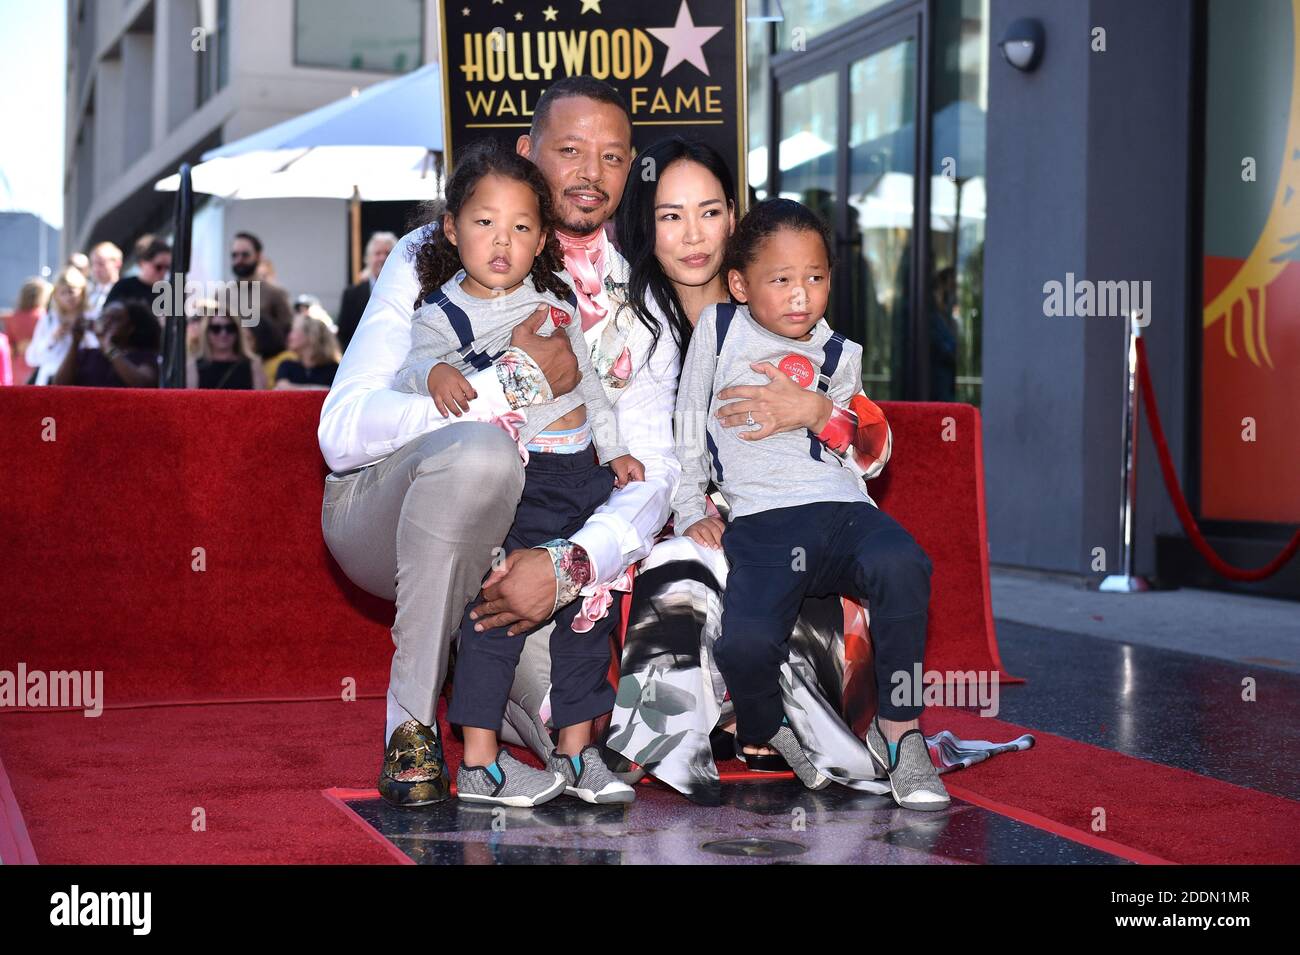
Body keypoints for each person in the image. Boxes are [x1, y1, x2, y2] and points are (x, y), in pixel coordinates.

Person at [318, 75, 680, 809]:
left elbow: (654, 471)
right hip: (387, 511)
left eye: (612, 157)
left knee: (580, 729)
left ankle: (491, 731)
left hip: (530, 535)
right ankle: (411, 735)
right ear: (527, 150)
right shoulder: (433, 252)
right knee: (482, 455)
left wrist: (568, 564)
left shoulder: (637, 296)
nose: (589, 174)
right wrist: (510, 386)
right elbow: (341, 434)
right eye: (570, 149)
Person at [671, 198, 947, 811]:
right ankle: (770, 729)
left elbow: (870, 455)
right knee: (744, 646)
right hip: (764, 522)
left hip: (843, 510)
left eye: (816, 278)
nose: (802, 296)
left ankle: (901, 733)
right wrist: (691, 506)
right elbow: (687, 432)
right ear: (741, 284)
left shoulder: (838, 353)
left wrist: (817, 411)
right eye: (782, 280)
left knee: (905, 564)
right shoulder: (716, 333)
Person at [396, 139, 641, 806]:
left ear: (542, 240)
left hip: (581, 473)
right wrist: (437, 372)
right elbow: (410, 371)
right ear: (452, 227)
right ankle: (479, 760)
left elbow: (589, 382)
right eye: (484, 223)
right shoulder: (442, 312)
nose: (501, 242)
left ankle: (578, 753)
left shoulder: (552, 299)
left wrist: (613, 449)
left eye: (522, 228)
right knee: (499, 610)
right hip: (521, 482)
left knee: (589, 610)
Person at [53, 299, 160, 388]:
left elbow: (142, 384)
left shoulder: (143, 357)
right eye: (103, 317)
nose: (107, 322)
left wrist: (108, 347)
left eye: (115, 319)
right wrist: (75, 343)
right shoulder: (87, 354)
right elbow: (59, 385)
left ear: (130, 328)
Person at [26, 267, 87, 385]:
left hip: (81, 380)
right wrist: (52, 338)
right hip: (51, 382)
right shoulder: (49, 320)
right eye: (63, 293)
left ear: (82, 292)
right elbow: (31, 358)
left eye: (72, 291)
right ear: (56, 295)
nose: (68, 297)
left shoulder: (90, 317)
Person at [337, 231, 397, 351]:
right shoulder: (351, 295)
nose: (383, 258)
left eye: (388, 253)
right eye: (377, 253)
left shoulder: (410, 292)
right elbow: (344, 336)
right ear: (368, 259)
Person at [230, 232, 292, 338]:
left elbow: (286, 331)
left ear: (258, 256)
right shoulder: (223, 294)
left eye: (245, 255)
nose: (239, 260)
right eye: (234, 255)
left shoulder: (276, 294)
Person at [187, 309, 267, 390]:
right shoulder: (194, 367)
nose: (223, 333)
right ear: (207, 332)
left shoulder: (253, 365)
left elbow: (259, 398)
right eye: (216, 329)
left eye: (230, 328)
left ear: (237, 331)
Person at [274, 306, 340, 390]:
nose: (289, 336)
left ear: (310, 335)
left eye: (294, 330)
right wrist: (320, 389)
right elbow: (282, 387)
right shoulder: (287, 365)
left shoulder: (334, 369)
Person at [6, 277, 51, 385]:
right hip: (37, 366)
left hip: (17, 367)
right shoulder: (43, 317)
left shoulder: (14, 317)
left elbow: (10, 348)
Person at [104, 238, 171, 310]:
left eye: (167, 267)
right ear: (142, 263)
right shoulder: (123, 287)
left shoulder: (168, 292)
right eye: (158, 267)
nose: (164, 272)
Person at [85, 242, 124, 322]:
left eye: (101, 264)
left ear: (117, 264)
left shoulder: (124, 293)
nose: (96, 269)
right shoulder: (87, 293)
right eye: (93, 264)